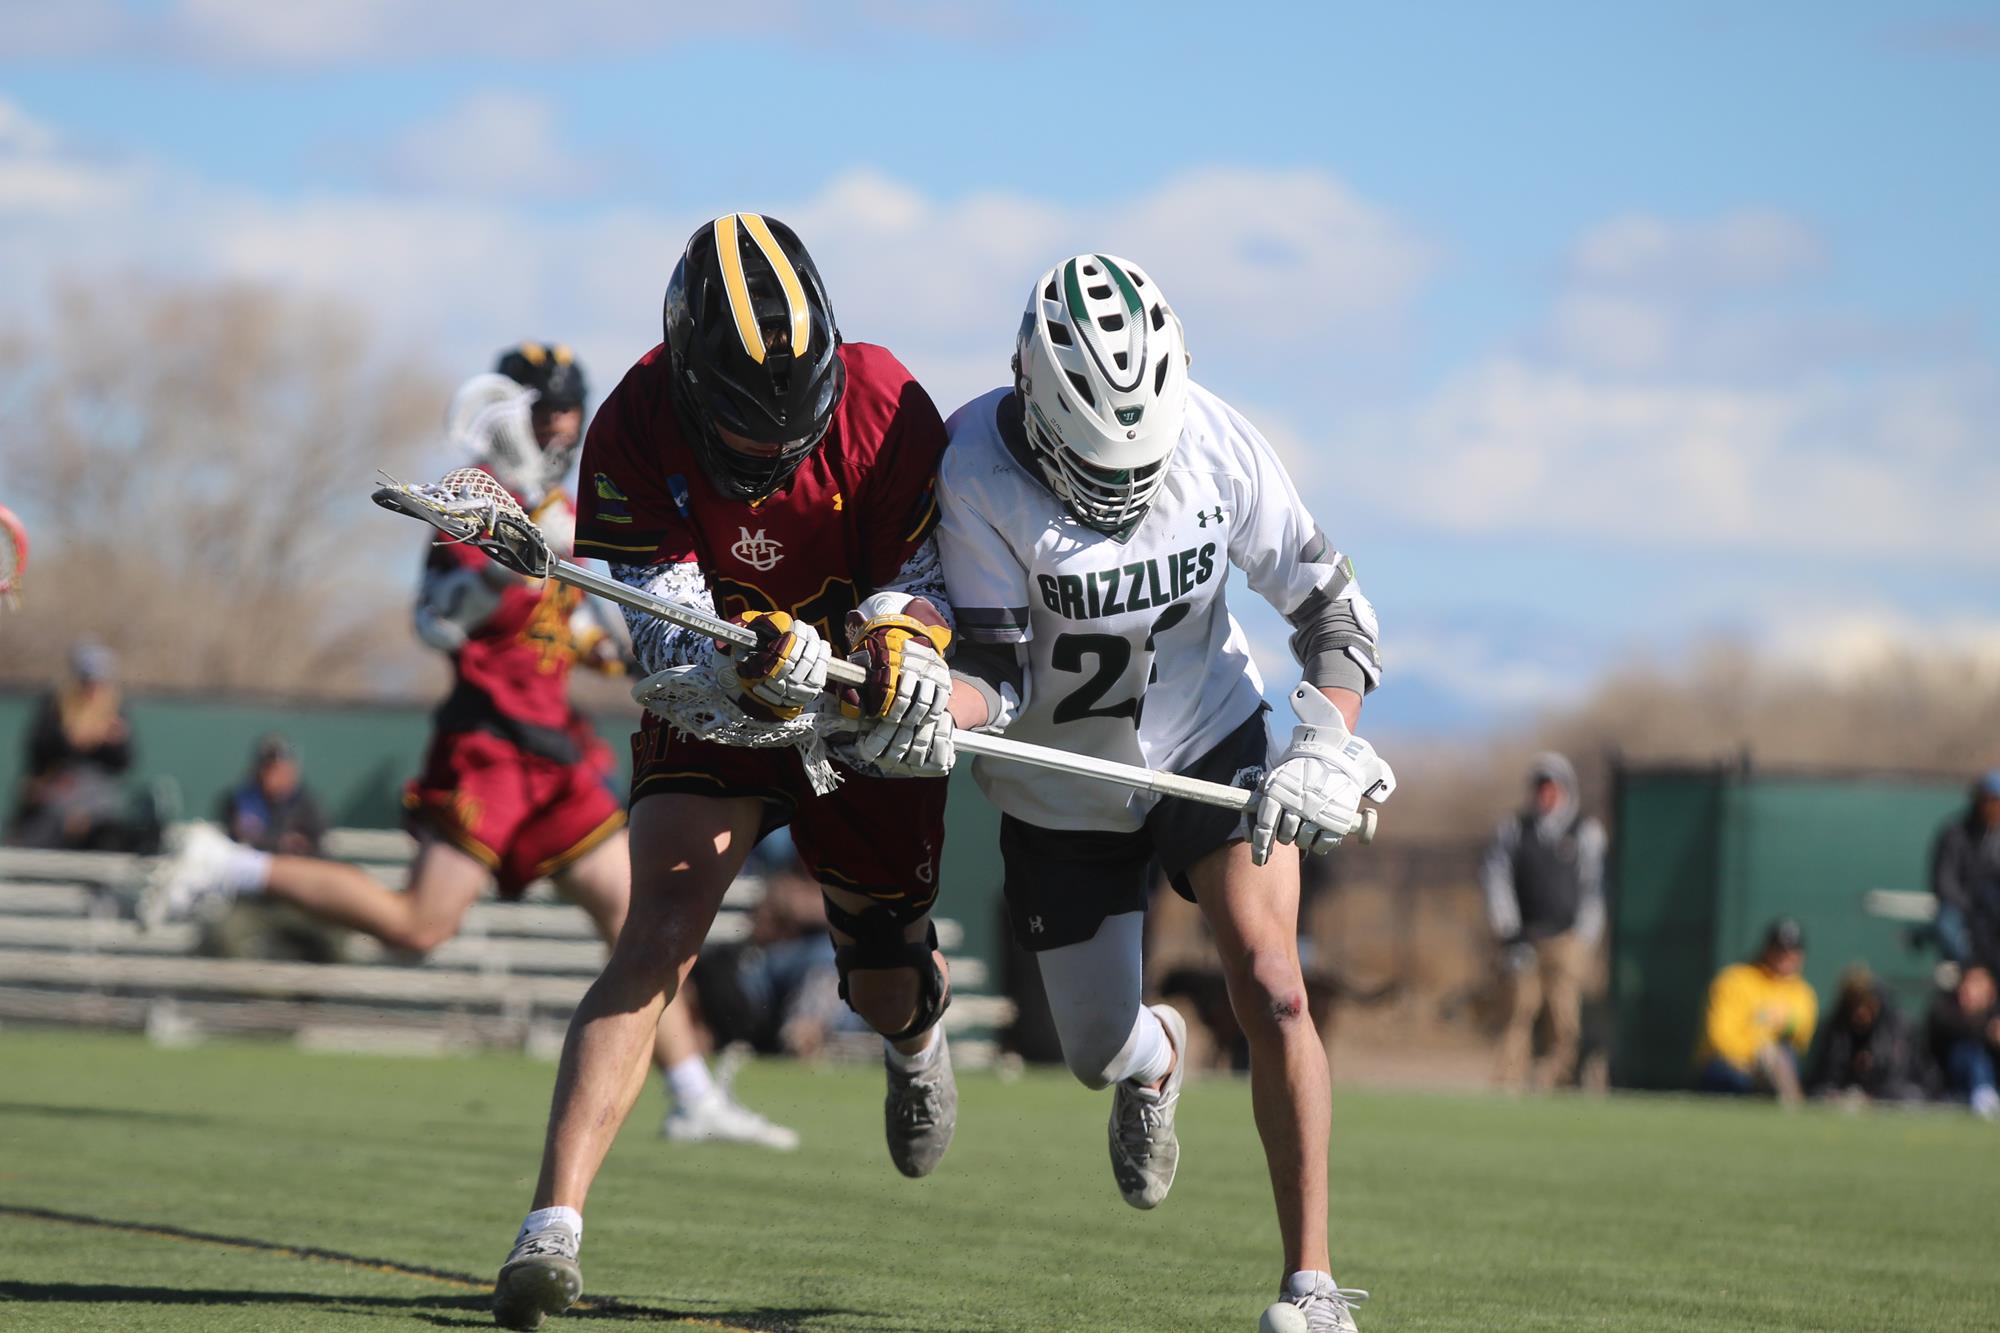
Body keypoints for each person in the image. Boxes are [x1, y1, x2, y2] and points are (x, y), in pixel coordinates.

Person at [491, 214, 962, 1330]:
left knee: (882, 974)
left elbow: (931, 574)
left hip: (855, 709)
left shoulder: (889, 404)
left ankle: (913, 1039)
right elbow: (660, 645)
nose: (768, 450)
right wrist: (740, 670)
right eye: (742, 428)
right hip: (715, 705)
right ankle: (549, 1223)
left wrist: (896, 641)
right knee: (655, 930)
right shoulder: (630, 425)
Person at [143, 348, 795, 1156]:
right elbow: (437, 618)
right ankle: (229, 864)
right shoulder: (476, 503)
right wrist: (515, 566)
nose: (562, 424)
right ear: (509, 413)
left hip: (554, 753)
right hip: (489, 744)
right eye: (546, 408)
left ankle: (692, 1093)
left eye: (570, 408)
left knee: (646, 922)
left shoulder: (560, 506)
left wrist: (635, 645)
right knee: (421, 926)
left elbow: (582, 632)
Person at [934, 254, 1388, 1332]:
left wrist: (1322, 742)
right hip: (1060, 782)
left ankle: (1311, 1287)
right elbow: (994, 678)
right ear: (1032, 398)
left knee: (1275, 982)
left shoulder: (1216, 442)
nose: (1124, 485)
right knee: (1091, 1048)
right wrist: (916, 701)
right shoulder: (973, 467)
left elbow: (1335, 615)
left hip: (1204, 740)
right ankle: (1155, 1056)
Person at [1480, 753, 1606, 1090]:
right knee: (1518, 1009)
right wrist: (1508, 931)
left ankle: (1556, 1079)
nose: (1546, 795)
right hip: (1524, 937)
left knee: (1563, 1013)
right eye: (1540, 788)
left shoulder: (1586, 831)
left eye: (1552, 788)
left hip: (1567, 939)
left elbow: (1595, 887)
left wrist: (1584, 936)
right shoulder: (1515, 829)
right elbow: (1497, 879)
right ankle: (1508, 1079)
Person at [9, 639, 137, 850]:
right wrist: (73, 739)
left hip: (97, 800)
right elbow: (38, 753)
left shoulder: (114, 710)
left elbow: (124, 763)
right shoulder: (54, 705)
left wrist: (114, 741)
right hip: (55, 796)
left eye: (99, 681)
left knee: (107, 835)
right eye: (87, 681)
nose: (93, 689)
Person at [1694, 918, 1817, 1104]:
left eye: (1792, 951)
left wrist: (1783, 1026)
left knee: (1782, 1056)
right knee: (1741, 1072)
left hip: (1775, 1067)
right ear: (1767, 949)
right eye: (1780, 950)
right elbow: (1719, 1037)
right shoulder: (1735, 980)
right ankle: (1790, 1101)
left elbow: (1802, 1034)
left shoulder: (1801, 991)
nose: (1786, 957)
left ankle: (1790, 1105)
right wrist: (1753, 1056)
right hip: (1730, 1065)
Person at [1808, 964, 1922, 1104]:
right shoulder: (1836, 1028)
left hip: (1893, 1095)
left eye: (1867, 1005)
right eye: (1855, 1005)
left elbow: (1901, 1078)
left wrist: (1873, 1075)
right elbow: (1824, 1078)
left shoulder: (1897, 1027)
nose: (1860, 1012)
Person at [1929, 771, 2000, 975]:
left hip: (1992, 904)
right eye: (1992, 801)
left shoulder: (1996, 836)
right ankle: (1970, 971)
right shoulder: (1954, 834)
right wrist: (1970, 905)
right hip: (1961, 904)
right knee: (1947, 926)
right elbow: (1943, 882)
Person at [219, 734, 328, 856]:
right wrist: (279, 842)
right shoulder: (241, 800)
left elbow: (317, 839)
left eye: (285, 769)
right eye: (272, 769)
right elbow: (243, 838)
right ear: (259, 771)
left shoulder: (306, 803)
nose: (280, 776)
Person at [1925, 964, 2000, 1119]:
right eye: (1970, 982)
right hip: (1952, 1081)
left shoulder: (1995, 1012)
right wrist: (1988, 1031)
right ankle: (1983, 1092)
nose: (1973, 989)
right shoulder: (1946, 1007)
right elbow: (1946, 1026)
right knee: (1971, 1050)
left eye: (1980, 983)